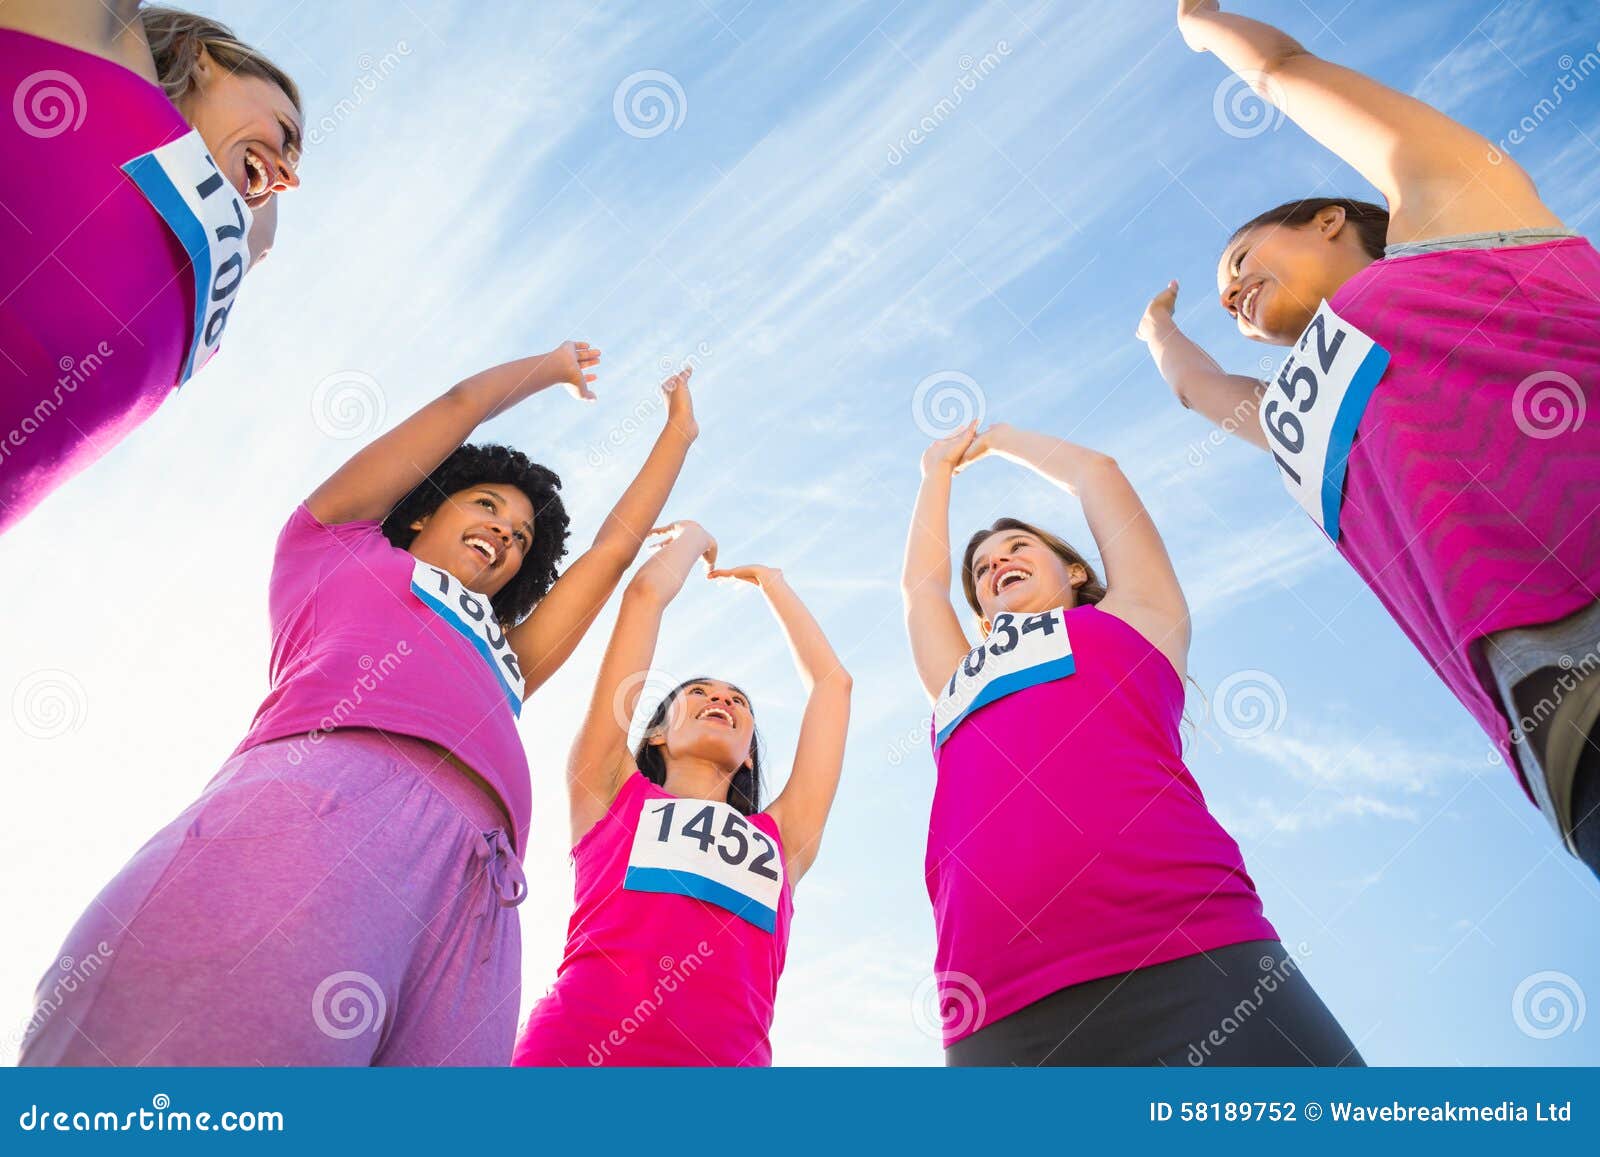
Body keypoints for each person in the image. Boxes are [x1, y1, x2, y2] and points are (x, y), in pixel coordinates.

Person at [20, 346, 703, 1066]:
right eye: (486, 505)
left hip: (479, 887)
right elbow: (458, 404)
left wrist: (677, 438)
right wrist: (551, 366)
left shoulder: (512, 657)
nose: (506, 530)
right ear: (419, 516)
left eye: (522, 535)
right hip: (329, 805)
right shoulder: (335, 542)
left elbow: (610, 553)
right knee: (220, 1043)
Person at [1136, 1, 1600, 873]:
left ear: (1327, 221)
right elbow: (1202, 392)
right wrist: (1156, 334)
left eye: (1240, 262)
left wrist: (1200, 23)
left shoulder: (1451, 216)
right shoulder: (1302, 417)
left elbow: (1282, 71)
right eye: (1224, 298)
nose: (1231, 295)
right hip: (1556, 724)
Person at [901, 420, 1361, 1066]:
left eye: (1016, 546)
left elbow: (1098, 473)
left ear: (1076, 568)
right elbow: (921, 589)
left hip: (1193, 953)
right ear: (980, 614)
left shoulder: (1136, 615)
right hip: (999, 1006)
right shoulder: (957, 681)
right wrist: (935, 474)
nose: (997, 561)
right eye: (980, 567)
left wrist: (998, 437)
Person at [513, 521, 850, 1066]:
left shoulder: (782, 839)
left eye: (739, 701)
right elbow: (644, 597)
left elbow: (833, 687)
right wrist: (693, 539)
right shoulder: (609, 790)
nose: (722, 700)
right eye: (697, 693)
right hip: (575, 1052)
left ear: (748, 756)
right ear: (657, 732)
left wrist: (773, 583)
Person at [1, 3, 303, 532]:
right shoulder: (91, 61)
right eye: (287, 131)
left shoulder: (221, 257)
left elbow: (262, 235)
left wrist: (263, 160)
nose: (289, 176)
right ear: (207, 60)